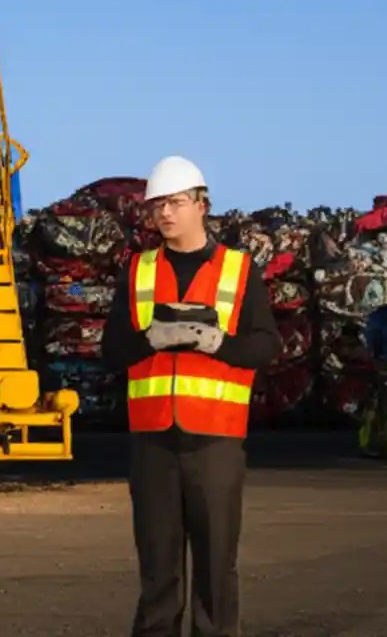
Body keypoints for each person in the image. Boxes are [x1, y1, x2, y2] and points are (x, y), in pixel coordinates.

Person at [101, 155, 282, 637]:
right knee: (158, 569)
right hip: (153, 441)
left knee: (216, 569)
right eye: (157, 204)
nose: (164, 213)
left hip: (215, 440)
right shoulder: (137, 271)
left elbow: (267, 345)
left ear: (202, 205)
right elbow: (112, 350)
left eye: (175, 202)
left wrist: (218, 343)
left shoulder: (239, 271)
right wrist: (151, 340)